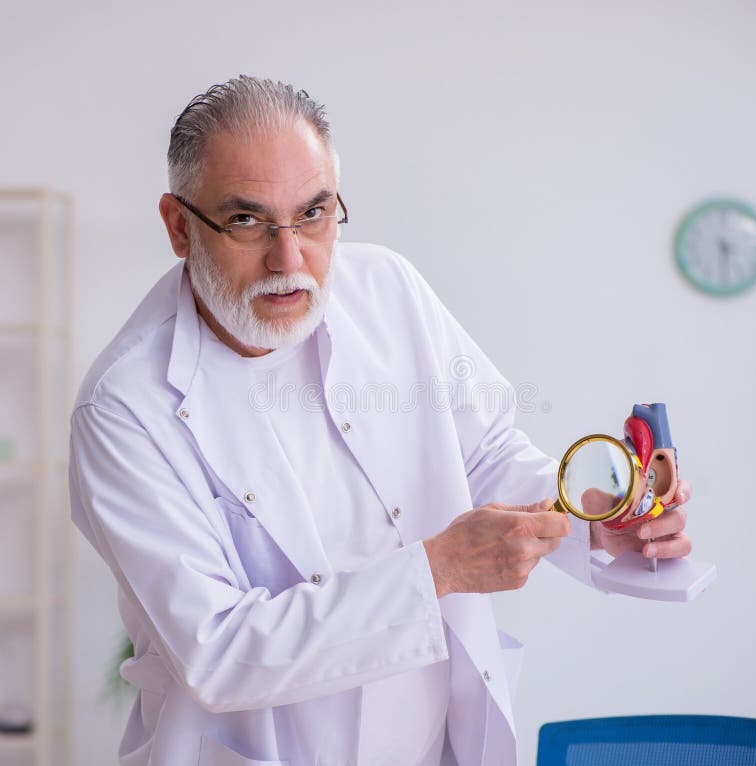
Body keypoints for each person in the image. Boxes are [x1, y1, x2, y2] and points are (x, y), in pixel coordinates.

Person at [69, 76, 692, 766]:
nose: (290, 258)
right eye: (247, 221)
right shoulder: (124, 410)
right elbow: (220, 650)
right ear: (180, 227)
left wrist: (598, 515)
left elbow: (484, 453)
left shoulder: (387, 290)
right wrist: (434, 572)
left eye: (314, 213)